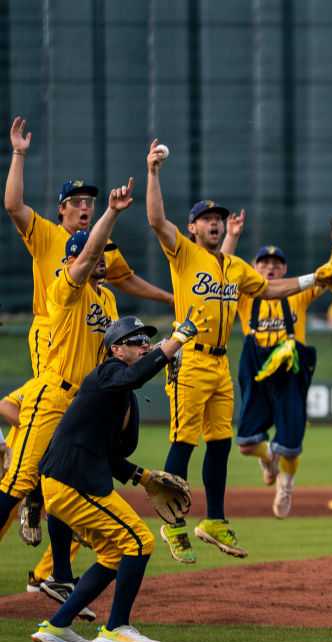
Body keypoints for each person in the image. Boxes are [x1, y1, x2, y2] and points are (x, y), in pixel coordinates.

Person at [145, 139, 331, 562]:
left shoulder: (233, 266)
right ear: (192, 228)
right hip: (188, 357)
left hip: (219, 362)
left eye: (219, 219)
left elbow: (268, 288)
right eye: (206, 219)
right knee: (184, 442)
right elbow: (156, 219)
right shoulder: (184, 254)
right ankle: (173, 523)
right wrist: (153, 172)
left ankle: (215, 519)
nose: (214, 223)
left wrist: (312, 277)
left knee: (221, 443)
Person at [5, 116, 172, 545]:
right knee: (46, 413)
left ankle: (42, 493)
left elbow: (124, 277)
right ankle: (33, 480)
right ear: (61, 208)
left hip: (85, 343)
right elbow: (13, 206)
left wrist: (172, 301)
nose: (84, 206)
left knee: (61, 433)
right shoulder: (47, 235)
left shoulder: (103, 271)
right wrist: (19, 154)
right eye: (76, 201)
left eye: (88, 202)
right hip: (52, 330)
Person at [0, 179, 134, 621]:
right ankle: (53, 561)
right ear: (74, 258)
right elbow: (86, 258)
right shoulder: (65, 285)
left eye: (101, 256)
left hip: (81, 405)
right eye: (92, 255)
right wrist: (111, 213)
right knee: (17, 483)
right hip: (50, 395)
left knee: (66, 489)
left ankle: (57, 573)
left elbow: (118, 352)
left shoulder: (108, 299)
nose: (100, 261)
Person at [31, 311, 204, 642]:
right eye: (136, 341)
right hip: (72, 480)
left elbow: (108, 454)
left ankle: (57, 626)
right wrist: (174, 342)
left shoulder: (117, 393)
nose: (144, 345)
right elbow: (134, 377)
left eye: (147, 340)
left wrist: (144, 477)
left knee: (113, 553)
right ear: (115, 350)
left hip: (71, 479)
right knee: (140, 541)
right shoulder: (107, 375)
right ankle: (117, 628)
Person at [222, 214, 332, 518]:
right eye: (263, 263)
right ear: (252, 267)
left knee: (290, 443)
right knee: (248, 443)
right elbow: (220, 269)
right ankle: (267, 458)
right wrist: (232, 236)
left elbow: (329, 274)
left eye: (276, 263)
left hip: (290, 370)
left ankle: (286, 485)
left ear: (286, 269)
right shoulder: (244, 295)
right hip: (257, 367)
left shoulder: (297, 294)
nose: (270, 267)